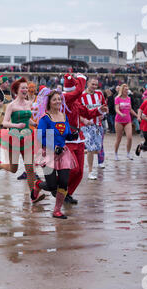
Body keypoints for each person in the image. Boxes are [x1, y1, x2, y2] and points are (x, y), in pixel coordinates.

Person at [0, 77, 44, 204]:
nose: (25, 90)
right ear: (16, 91)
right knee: (13, 169)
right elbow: (5, 123)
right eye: (22, 88)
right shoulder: (11, 106)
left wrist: (33, 124)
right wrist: (16, 126)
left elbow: (27, 118)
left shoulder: (29, 104)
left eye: (26, 87)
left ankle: (33, 195)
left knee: (30, 169)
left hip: (28, 138)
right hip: (14, 138)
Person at [33, 89, 78, 219]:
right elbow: (40, 137)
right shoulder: (45, 118)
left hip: (63, 153)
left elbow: (67, 134)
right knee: (52, 186)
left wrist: (72, 135)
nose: (58, 101)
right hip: (48, 153)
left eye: (59, 99)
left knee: (64, 182)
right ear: (49, 103)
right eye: (55, 99)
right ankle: (38, 185)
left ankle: (57, 210)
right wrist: (54, 146)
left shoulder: (64, 116)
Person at [63, 73, 107, 204]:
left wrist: (100, 110)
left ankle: (68, 193)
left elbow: (87, 112)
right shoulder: (66, 98)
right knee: (74, 169)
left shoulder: (75, 101)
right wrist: (81, 78)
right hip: (68, 139)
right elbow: (79, 91)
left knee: (80, 172)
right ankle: (62, 189)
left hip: (79, 138)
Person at [80, 78, 107, 180]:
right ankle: (90, 171)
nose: (94, 87)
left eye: (96, 85)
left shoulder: (99, 95)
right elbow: (77, 112)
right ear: (88, 84)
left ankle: (80, 152)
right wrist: (84, 120)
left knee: (97, 148)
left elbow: (105, 108)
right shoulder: (81, 96)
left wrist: (103, 115)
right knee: (91, 148)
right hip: (86, 126)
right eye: (92, 84)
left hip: (98, 125)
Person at [114, 84, 138, 160]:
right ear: (122, 90)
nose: (126, 91)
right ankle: (116, 153)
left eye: (127, 89)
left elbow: (130, 109)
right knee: (119, 138)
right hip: (119, 121)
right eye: (125, 89)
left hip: (128, 120)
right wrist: (120, 113)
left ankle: (128, 153)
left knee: (130, 137)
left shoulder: (129, 98)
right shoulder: (117, 98)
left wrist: (137, 116)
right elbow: (116, 109)